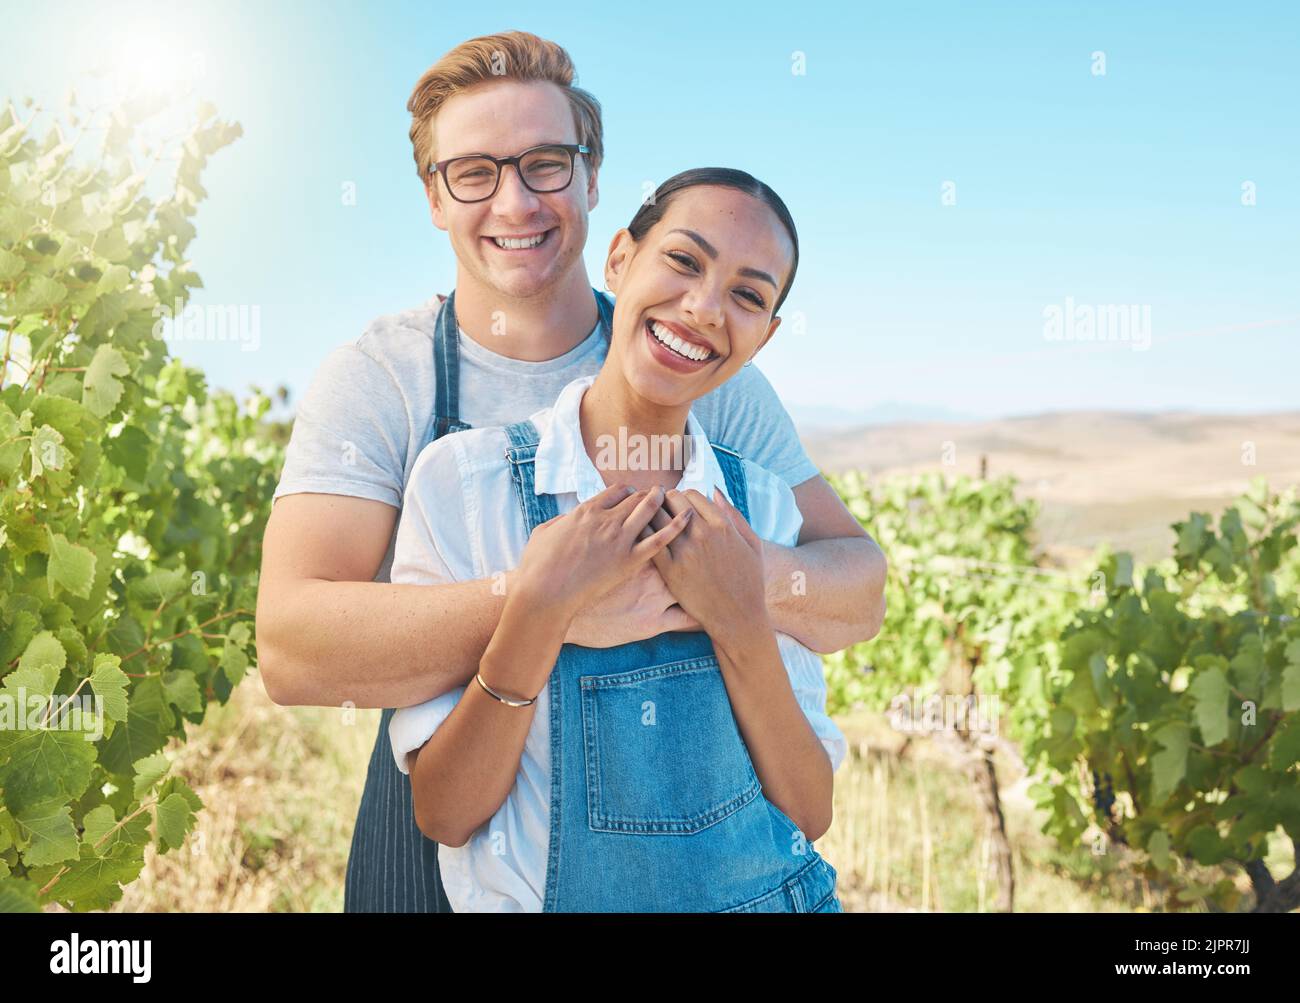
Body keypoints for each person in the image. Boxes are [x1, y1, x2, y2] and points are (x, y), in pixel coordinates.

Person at [256, 31, 886, 913]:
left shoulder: (699, 366)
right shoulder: (385, 381)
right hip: (455, 829)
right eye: (473, 172)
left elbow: (857, 589)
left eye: (546, 164)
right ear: (435, 198)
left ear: (593, 180)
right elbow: (292, 649)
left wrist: (749, 588)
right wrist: (541, 601)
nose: (515, 201)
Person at [390, 168, 845, 911]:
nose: (703, 308)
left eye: (748, 295)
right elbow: (446, 812)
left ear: (765, 335)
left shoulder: (761, 506)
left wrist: (741, 621)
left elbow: (808, 810)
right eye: (684, 261)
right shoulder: (465, 486)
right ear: (620, 258)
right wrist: (540, 609)